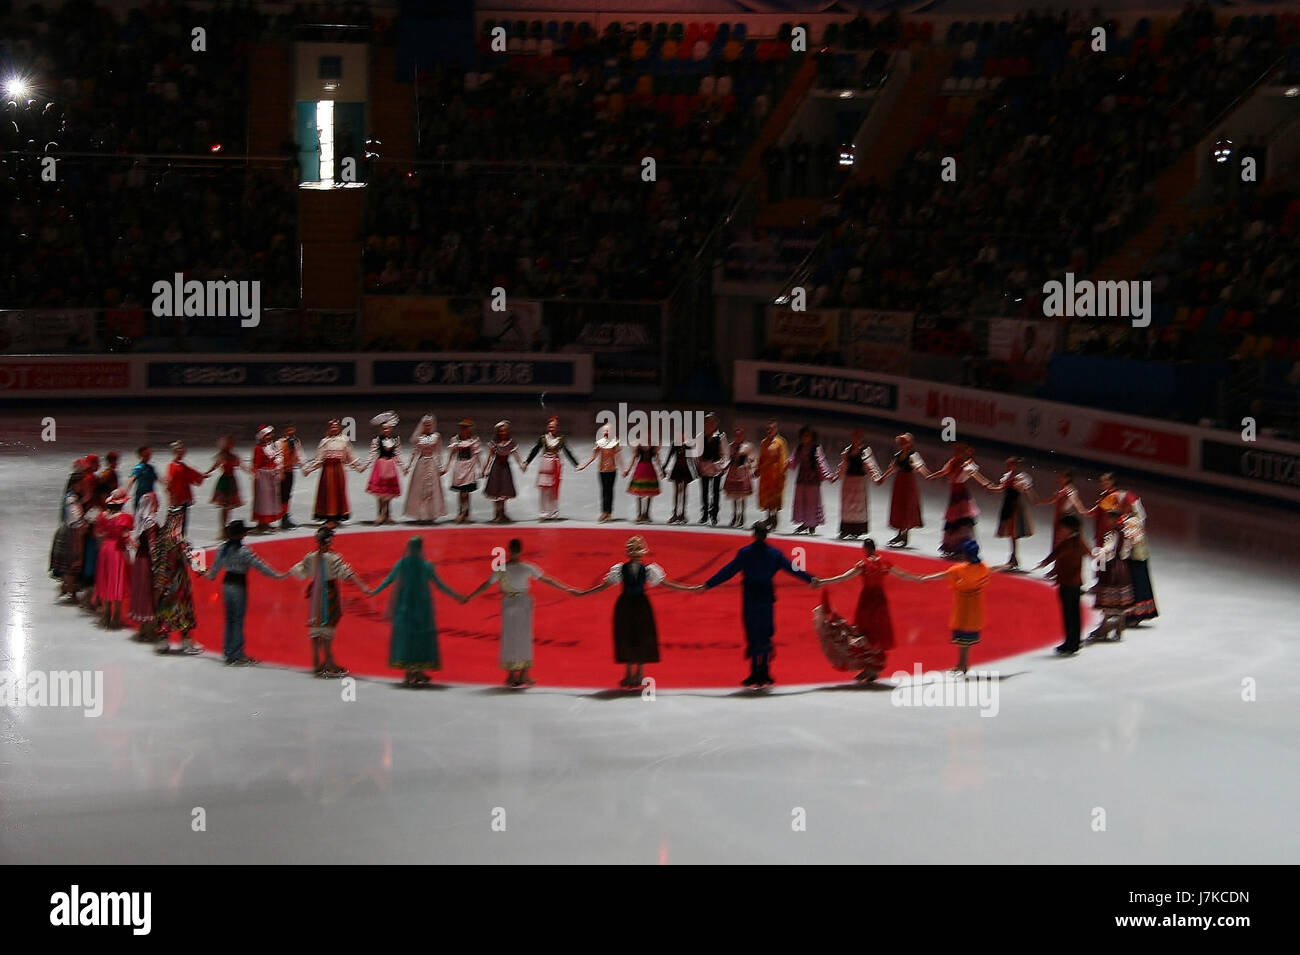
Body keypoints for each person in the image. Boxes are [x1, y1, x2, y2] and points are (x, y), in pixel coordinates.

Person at [694, 523, 816, 687]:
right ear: (766, 535)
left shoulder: (745, 554)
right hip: (766, 596)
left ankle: (754, 671)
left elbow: (728, 571)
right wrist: (810, 579)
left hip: (751, 596)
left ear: (754, 535)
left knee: (753, 632)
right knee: (765, 632)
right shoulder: (775, 554)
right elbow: (793, 569)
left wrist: (708, 584)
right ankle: (764, 670)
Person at [573, 535, 693, 688]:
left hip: (640, 605)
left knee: (643, 636)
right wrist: (583, 593)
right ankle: (630, 673)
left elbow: (666, 584)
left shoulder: (648, 570)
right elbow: (604, 586)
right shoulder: (621, 570)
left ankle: (639, 673)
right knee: (626, 636)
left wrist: (688, 588)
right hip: (627, 605)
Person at [465, 539, 578, 687]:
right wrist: (567, 588)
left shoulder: (501, 568)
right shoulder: (527, 567)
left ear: (509, 550)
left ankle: (513, 674)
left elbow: (486, 585)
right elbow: (547, 580)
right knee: (524, 636)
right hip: (522, 602)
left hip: (510, 603)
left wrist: (469, 597)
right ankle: (524, 673)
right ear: (520, 551)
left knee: (510, 637)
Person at [370, 536, 469, 686]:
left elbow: (388, 580)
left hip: (404, 608)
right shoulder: (426, 566)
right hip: (422, 610)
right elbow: (440, 585)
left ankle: (410, 673)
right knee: (420, 639)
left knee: (407, 638)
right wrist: (457, 596)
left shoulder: (401, 564)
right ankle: (417, 671)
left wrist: (374, 591)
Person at [812, 538, 909, 682]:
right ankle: (872, 667)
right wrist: (922, 579)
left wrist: (823, 582)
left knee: (866, 633)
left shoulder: (863, 565)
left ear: (865, 549)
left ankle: (870, 667)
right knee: (877, 634)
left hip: (867, 602)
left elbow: (843, 578)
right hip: (880, 602)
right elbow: (904, 575)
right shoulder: (884, 564)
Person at [289, 526, 371, 677]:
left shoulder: (311, 556)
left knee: (315, 625)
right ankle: (328, 660)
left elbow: (299, 570)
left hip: (315, 593)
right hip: (328, 592)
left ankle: (316, 661)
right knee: (327, 625)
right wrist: (363, 587)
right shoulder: (333, 558)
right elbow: (347, 573)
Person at [902, 539, 992, 675]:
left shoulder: (959, 569)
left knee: (962, 636)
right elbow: (990, 571)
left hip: (963, 605)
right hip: (974, 605)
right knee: (967, 638)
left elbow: (942, 575)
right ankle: (962, 663)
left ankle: (962, 664)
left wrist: (922, 579)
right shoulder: (982, 568)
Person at [205, 520, 287, 665]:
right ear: (242, 534)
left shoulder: (223, 549)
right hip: (238, 586)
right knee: (237, 620)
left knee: (229, 619)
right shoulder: (244, 551)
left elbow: (212, 573)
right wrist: (276, 575)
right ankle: (238, 654)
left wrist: (204, 572)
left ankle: (229, 652)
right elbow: (259, 565)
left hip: (226, 585)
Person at [1034, 514, 1090, 655]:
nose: (1060, 530)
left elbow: (1062, 558)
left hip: (1068, 583)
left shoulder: (1070, 544)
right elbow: (1057, 554)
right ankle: (1074, 641)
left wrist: (1053, 571)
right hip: (1073, 583)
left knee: (1069, 613)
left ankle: (1071, 643)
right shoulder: (1076, 542)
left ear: (1070, 529)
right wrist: (1047, 565)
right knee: (1073, 614)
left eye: (1062, 528)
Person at [152, 506, 203, 655]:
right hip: (177, 578)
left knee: (164, 608)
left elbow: (156, 555)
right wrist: (201, 569)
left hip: (162, 577)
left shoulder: (162, 534)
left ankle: (163, 641)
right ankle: (186, 640)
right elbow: (187, 555)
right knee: (181, 607)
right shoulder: (176, 537)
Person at [927, 443, 992, 558]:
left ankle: (963, 547)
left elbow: (976, 475)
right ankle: (953, 546)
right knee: (953, 520)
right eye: (956, 451)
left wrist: (986, 483)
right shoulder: (952, 462)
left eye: (959, 452)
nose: (957, 454)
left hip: (961, 494)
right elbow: (943, 471)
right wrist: (932, 476)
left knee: (962, 520)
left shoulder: (966, 465)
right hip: (954, 494)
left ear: (963, 453)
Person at [303, 418, 367, 524]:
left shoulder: (344, 440)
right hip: (328, 470)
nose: (334, 429)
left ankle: (338, 515)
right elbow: (319, 458)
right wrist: (310, 469)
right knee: (328, 492)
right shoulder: (324, 441)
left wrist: (358, 467)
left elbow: (349, 456)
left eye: (336, 426)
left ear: (339, 428)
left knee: (339, 491)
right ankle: (329, 516)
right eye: (332, 427)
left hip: (339, 470)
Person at [1088, 509, 1134, 643]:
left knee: (1110, 594)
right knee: (1116, 597)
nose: (1107, 521)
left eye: (1109, 519)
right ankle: (1117, 624)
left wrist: (1099, 553)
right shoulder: (1125, 533)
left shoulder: (1115, 534)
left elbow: (1109, 549)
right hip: (1121, 566)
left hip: (1113, 566)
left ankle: (1107, 625)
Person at [877, 433, 930, 548]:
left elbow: (920, 467)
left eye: (904, 443)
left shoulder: (913, 455)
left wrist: (928, 476)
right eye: (901, 443)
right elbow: (892, 468)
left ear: (909, 444)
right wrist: (882, 478)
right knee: (899, 506)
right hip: (900, 482)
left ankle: (904, 534)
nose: (902, 445)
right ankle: (900, 533)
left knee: (908, 506)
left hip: (909, 483)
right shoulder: (898, 456)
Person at [523, 416, 580, 520]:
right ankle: (543, 512)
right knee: (544, 490)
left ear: (556, 428)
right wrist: (527, 462)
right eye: (550, 427)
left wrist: (576, 464)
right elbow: (535, 450)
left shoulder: (560, 439)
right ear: (547, 427)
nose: (551, 429)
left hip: (555, 467)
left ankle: (554, 511)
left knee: (554, 490)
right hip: (545, 466)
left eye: (553, 427)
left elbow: (567, 452)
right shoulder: (543, 439)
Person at [93, 489, 134, 628]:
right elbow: (125, 535)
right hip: (117, 551)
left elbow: (98, 534)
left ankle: (105, 615)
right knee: (117, 582)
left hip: (105, 550)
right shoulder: (124, 518)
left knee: (106, 580)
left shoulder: (102, 516)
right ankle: (115, 617)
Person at [986, 456, 1036, 569]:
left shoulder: (1020, 478)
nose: (1008, 467)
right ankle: (1013, 556)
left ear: (1015, 465)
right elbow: (1001, 488)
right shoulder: (1008, 476)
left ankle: (1014, 557)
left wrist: (1034, 499)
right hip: (1008, 505)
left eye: (1010, 465)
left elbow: (1025, 490)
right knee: (1011, 532)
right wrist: (990, 488)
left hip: (1015, 506)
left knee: (1013, 532)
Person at [833, 429, 881, 539]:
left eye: (858, 437)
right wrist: (837, 476)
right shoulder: (847, 451)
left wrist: (876, 478)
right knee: (847, 505)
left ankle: (857, 529)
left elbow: (870, 465)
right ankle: (846, 528)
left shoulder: (865, 451)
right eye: (854, 436)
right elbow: (843, 465)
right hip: (849, 480)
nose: (856, 439)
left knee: (859, 505)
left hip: (859, 480)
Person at [1036, 469, 1086, 570]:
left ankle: (1057, 568)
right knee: (1056, 542)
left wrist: (1082, 510)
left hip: (1064, 519)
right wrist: (1040, 502)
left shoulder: (1070, 490)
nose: (1059, 479)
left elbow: (1075, 501)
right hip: (1058, 518)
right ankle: (1055, 567)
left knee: (1060, 543)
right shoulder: (1063, 489)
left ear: (1068, 478)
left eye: (1061, 477)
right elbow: (1052, 500)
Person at [50, 466, 87, 601]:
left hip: (70, 531)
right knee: (71, 563)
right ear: (75, 484)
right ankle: (70, 589)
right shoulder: (71, 499)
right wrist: (84, 525)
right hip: (71, 534)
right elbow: (76, 519)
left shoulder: (73, 497)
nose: (83, 486)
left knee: (71, 563)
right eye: (82, 484)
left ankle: (68, 587)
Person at [127, 491, 161, 639]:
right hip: (148, 561)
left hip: (140, 560)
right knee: (149, 593)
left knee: (141, 592)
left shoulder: (140, 521)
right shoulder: (151, 523)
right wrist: (158, 562)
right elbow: (153, 546)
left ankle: (143, 628)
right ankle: (149, 629)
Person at [787, 426, 833, 535]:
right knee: (802, 501)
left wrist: (828, 475)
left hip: (812, 479)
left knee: (812, 503)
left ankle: (812, 524)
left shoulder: (816, 448)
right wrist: (787, 463)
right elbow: (794, 459)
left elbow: (821, 462)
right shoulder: (800, 447)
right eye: (804, 435)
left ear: (812, 437)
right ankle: (805, 523)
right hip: (802, 478)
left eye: (808, 436)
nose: (805, 438)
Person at [403, 414, 448, 524]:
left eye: (429, 424)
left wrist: (440, 467)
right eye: (426, 425)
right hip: (421, 463)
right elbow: (414, 452)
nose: (428, 426)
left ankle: (431, 513)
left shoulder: (436, 436)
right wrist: (408, 465)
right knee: (420, 488)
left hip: (432, 463)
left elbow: (438, 452)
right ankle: (420, 514)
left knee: (432, 488)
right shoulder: (419, 437)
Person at [1121, 497, 1159, 625]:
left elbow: (1131, 541)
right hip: (1139, 557)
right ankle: (1138, 613)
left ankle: (1136, 614)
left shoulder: (1132, 521)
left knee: (1136, 585)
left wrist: (1123, 554)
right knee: (1139, 584)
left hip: (1135, 558)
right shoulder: (1135, 520)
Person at [361, 412, 403, 525]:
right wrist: (365, 465)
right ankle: (380, 514)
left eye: (388, 428)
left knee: (388, 492)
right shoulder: (377, 440)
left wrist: (403, 466)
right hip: (380, 466)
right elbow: (372, 453)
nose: (386, 430)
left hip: (390, 466)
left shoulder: (395, 440)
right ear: (381, 429)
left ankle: (388, 514)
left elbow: (397, 454)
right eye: (384, 429)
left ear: (391, 429)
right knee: (380, 493)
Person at [577, 423, 624, 522]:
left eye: (608, 430)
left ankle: (609, 512)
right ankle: (604, 512)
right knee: (604, 491)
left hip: (612, 470)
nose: (606, 432)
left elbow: (618, 457)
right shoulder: (599, 443)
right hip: (602, 470)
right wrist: (584, 466)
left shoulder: (615, 442)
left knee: (610, 491)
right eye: (605, 430)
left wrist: (623, 469)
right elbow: (593, 457)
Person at [205, 434, 249, 536]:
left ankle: (226, 528)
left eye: (232, 443)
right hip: (224, 481)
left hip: (232, 481)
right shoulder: (222, 456)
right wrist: (207, 473)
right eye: (229, 443)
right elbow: (215, 466)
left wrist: (251, 472)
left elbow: (242, 466)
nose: (231, 445)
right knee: (225, 506)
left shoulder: (234, 456)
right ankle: (223, 528)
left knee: (229, 507)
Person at [482, 420, 525, 523]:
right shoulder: (495, 443)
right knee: (496, 491)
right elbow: (489, 457)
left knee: (504, 491)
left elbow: (516, 455)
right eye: (501, 431)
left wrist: (521, 464)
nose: (503, 433)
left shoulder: (510, 443)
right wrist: (484, 469)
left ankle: (503, 513)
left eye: (505, 431)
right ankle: (497, 513)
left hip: (505, 469)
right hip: (496, 469)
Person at [165, 441, 206, 536]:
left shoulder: (182, 465)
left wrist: (202, 476)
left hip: (184, 495)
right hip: (177, 496)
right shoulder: (172, 466)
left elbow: (192, 474)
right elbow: (170, 482)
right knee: (176, 520)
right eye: (180, 450)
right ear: (175, 452)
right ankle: (175, 540)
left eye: (182, 450)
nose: (182, 452)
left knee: (183, 520)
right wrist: (171, 496)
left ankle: (181, 539)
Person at [446, 419, 484, 523]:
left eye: (465, 428)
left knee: (466, 492)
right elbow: (451, 454)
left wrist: (481, 468)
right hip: (459, 466)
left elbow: (477, 455)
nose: (463, 430)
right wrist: (447, 466)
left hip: (469, 467)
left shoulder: (473, 440)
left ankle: (466, 513)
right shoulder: (456, 440)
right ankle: (460, 512)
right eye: (462, 428)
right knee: (461, 492)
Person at [694, 413, 728, 525]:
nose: (708, 425)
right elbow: (697, 453)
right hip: (704, 467)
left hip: (716, 467)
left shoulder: (720, 436)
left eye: (710, 423)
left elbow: (724, 453)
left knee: (715, 492)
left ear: (715, 424)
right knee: (704, 492)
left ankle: (714, 515)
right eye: (706, 423)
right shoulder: (700, 436)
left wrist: (722, 466)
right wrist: (698, 466)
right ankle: (704, 514)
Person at [755, 421, 790, 531]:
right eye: (768, 429)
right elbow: (761, 457)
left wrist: (782, 473)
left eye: (771, 428)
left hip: (776, 473)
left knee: (774, 497)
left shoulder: (780, 442)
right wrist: (758, 469)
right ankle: (768, 517)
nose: (769, 431)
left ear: (776, 429)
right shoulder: (764, 442)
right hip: (766, 474)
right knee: (766, 496)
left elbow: (783, 458)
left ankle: (774, 518)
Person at [250, 426, 284, 532]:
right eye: (267, 435)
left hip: (272, 475)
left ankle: (267, 521)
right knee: (263, 500)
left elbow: (277, 459)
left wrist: (279, 471)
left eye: (270, 434)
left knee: (271, 499)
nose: (269, 437)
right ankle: (261, 522)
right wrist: (256, 475)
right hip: (263, 475)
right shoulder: (258, 448)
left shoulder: (272, 446)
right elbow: (255, 463)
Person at [721, 426, 756, 527]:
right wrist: (725, 468)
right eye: (736, 435)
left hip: (743, 472)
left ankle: (742, 516)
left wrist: (749, 462)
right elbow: (730, 459)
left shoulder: (748, 446)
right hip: (733, 472)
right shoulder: (731, 446)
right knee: (735, 496)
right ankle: (735, 515)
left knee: (743, 496)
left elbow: (752, 458)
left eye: (740, 435)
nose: (738, 437)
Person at [660, 427, 696, 525]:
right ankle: (675, 513)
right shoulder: (675, 445)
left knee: (684, 492)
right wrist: (664, 468)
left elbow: (692, 459)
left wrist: (696, 471)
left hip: (685, 469)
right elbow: (669, 457)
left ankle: (683, 514)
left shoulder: (688, 445)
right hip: (677, 469)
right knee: (676, 492)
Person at [624, 443, 663, 524]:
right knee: (639, 492)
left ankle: (646, 514)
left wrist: (661, 470)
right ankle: (639, 514)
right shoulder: (638, 447)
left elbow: (657, 460)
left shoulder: (653, 447)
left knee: (649, 492)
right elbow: (634, 458)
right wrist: (628, 470)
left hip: (649, 469)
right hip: (641, 469)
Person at [277, 424, 305, 529]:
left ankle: (285, 516)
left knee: (287, 495)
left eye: (292, 429)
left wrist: (304, 467)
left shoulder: (295, 442)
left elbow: (299, 455)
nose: (291, 431)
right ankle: (282, 517)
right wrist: (280, 472)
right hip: (283, 472)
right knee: (282, 495)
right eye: (288, 429)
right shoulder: (279, 442)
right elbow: (278, 457)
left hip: (290, 471)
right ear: (285, 430)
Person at [125, 446, 158, 513]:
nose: (148, 456)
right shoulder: (138, 467)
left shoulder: (151, 468)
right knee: (139, 517)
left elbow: (158, 479)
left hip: (150, 497)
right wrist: (126, 492)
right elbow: (132, 479)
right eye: (146, 455)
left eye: (149, 455)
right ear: (141, 455)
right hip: (140, 497)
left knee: (149, 518)